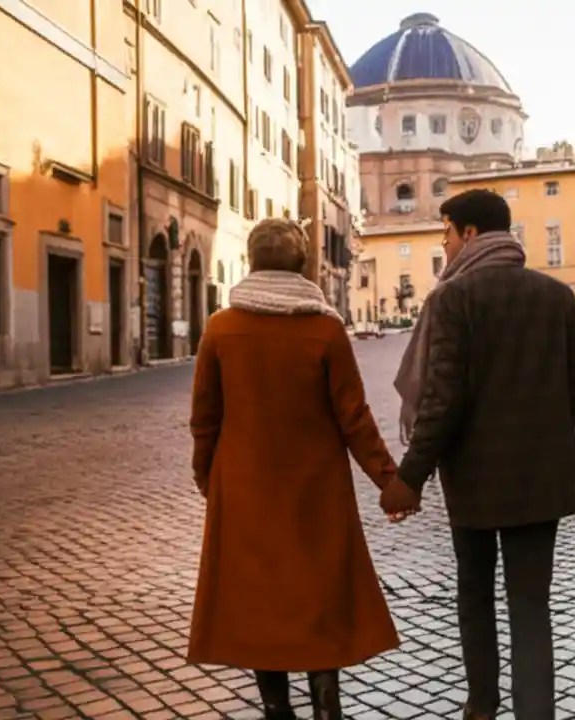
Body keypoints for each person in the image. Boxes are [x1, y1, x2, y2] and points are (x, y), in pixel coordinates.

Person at [380, 189, 575, 719]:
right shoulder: (555, 296)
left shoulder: (454, 300)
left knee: (474, 596)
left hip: (473, 479)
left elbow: (440, 400)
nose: (445, 245)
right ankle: (535, 712)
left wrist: (410, 476)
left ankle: (481, 707)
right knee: (530, 605)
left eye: (447, 234)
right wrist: (540, 432)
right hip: (540, 479)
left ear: (471, 234)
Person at [187, 219, 401, 720]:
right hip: (316, 489)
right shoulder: (325, 329)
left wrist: (206, 476)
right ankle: (328, 706)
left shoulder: (220, 329)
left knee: (262, 598)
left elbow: (204, 418)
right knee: (318, 595)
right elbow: (354, 416)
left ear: (251, 263)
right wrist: (388, 479)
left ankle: (276, 708)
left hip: (243, 486)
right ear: (303, 265)